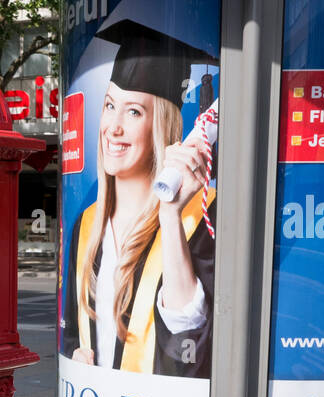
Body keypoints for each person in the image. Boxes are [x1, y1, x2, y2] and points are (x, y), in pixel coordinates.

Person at [61, 19, 218, 378]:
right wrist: (76, 357)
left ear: (160, 125)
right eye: (110, 105)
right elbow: (72, 332)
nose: (113, 126)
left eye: (133, 111)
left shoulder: (196, 219)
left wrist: (170, 215)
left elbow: (189, 339)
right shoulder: (87, 224)